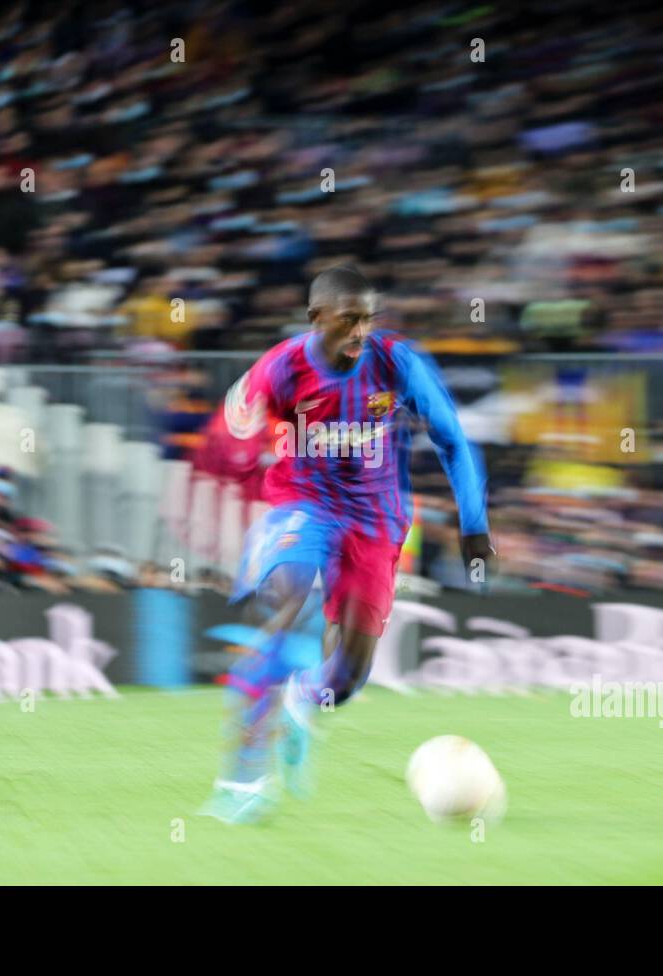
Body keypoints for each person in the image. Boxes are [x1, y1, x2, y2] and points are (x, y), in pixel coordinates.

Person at [199, 265, 493, 824]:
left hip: (376, 521)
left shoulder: (395, 362)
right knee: (288, 604)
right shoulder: (281, 369)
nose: (362, 331)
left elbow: (452, 439)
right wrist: (240, 493)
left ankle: (304, 702)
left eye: (368, 319)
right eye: (350, 320)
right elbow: (228, 437)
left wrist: (473, 524)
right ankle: (242, 777)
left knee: (351, 671)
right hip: (302, 505)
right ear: (317, 319)